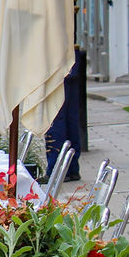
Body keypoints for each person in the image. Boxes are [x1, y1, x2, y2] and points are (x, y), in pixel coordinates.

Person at [45, 53, 83, 182]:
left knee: (56, 118)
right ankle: (71, 167)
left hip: (54, 60)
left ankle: (56, 167)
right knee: (70, 118)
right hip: (70, 57)